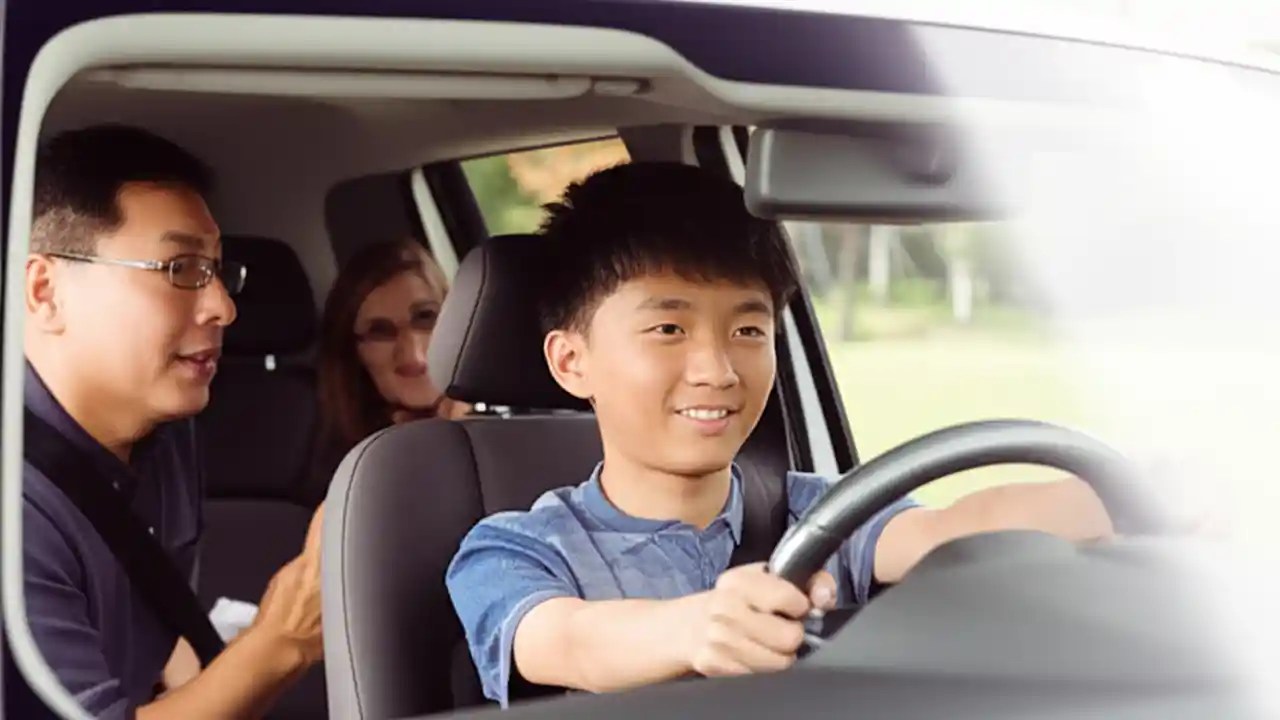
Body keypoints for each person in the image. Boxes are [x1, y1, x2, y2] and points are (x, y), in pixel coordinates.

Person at [445, 162, 1115, 706]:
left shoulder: (823, 515)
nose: (718, 369)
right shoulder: (515, 550)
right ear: (571, 360)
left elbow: (960, 528)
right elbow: (569, 641)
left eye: (747, 330)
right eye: (668, 330)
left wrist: (1138, 494)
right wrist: (697, 627)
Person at [22, 124, 323, 719]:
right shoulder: (17, 515)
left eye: (217, 271)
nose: (223, 307)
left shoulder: (166, 431)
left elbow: (156, 623)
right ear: (45, 290)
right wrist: (280, 642)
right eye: (180, 268)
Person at [314, 239, 468, 482]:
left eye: (425, 317)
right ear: (354, 354)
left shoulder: (506, 424)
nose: (412, 351)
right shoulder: (339, 466)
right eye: (379, 331)